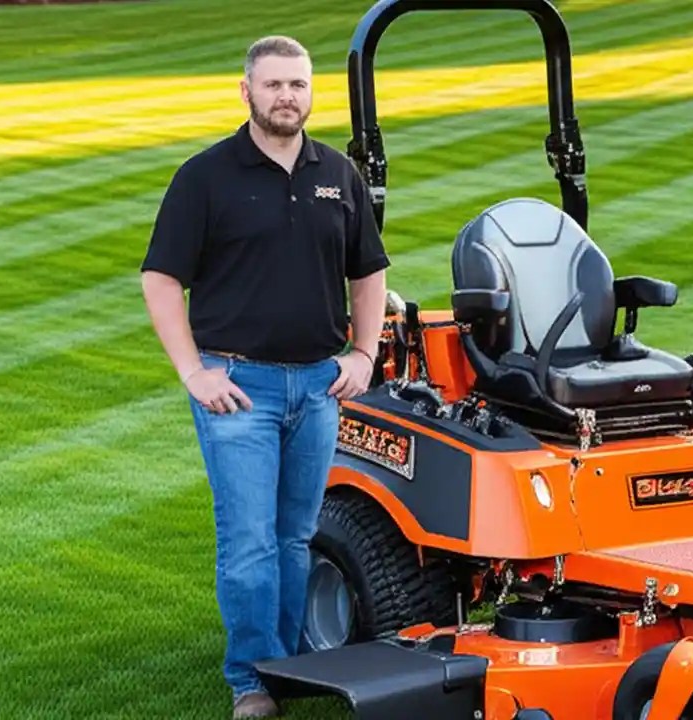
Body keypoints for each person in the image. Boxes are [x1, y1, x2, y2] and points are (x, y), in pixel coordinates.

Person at [139, 35, 389, 719]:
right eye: (274, 84)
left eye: (299, 85)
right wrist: (193, 371)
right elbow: (161, 280)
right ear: (246, 91)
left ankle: (289, 662)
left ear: (312, 93)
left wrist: (363, 354)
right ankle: (251, 679)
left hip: (317, 387)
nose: (288, 96)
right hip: (238, 390)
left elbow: (368, 273)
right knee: (248, 542)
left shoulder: (337, 172)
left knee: (293, 538)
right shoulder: (206, 177)